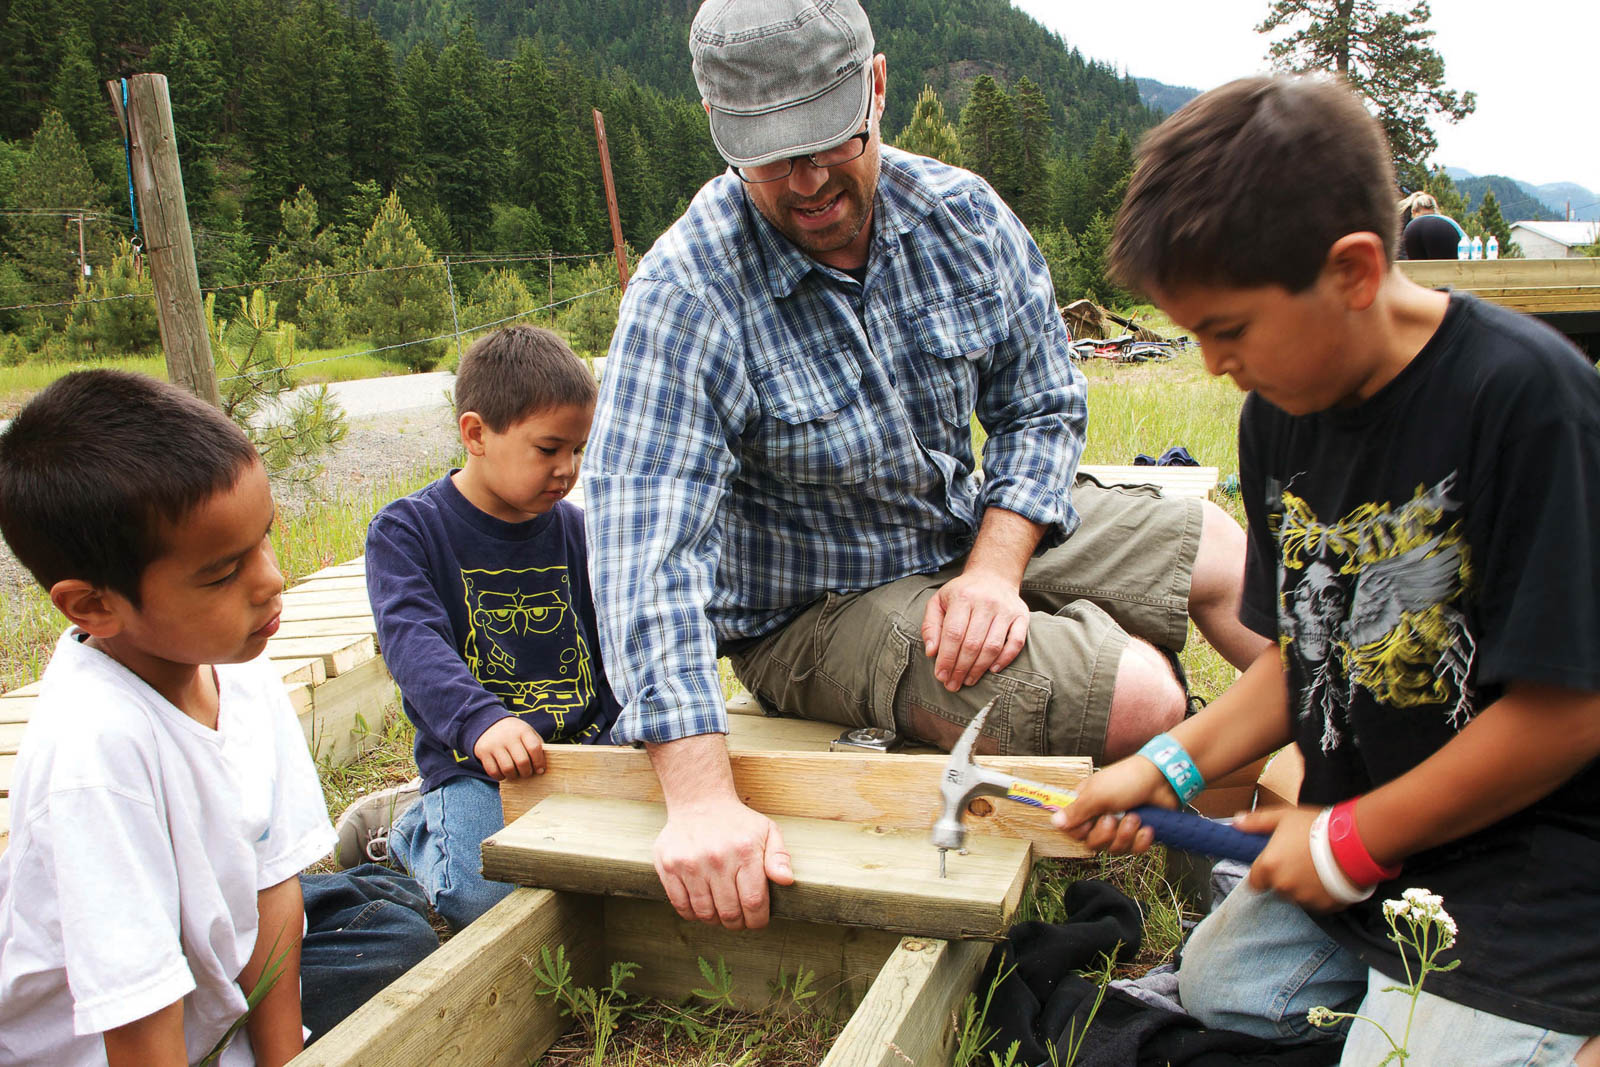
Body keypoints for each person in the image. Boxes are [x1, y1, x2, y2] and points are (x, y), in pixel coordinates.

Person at [583, 0, 1268, 934]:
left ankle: (1357, 791)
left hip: (959, 533)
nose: (810, 180)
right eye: (774, 154)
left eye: (830, 139)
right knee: (1143, 692)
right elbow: (643, 552)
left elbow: (1041, 406)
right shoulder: (688, 293)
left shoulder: (961, 215)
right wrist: (701, 800)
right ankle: (1232, 898)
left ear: (877, 86)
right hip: (817, 612)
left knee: (1229, 559)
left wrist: (994, 571)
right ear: (721, 132)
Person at [1059, 76, 1600, 1064]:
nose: (1215, 366)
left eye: (1228, 330)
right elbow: (1297, 661)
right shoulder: (1280, 411)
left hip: (1536, 866)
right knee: (1226, 990)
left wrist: (1353, 836)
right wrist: (1163, 766)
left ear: (1353, 270)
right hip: (1375, 846)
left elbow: (1570, 713)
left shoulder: (1525, 400)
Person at [0, 371, 438, 1066]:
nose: (269, 581)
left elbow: (272, 889)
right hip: (109, 1036)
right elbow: (137, 1018)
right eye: (222, 572)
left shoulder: (234, 658)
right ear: (92, 606)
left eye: (263, 541)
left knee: (391, 932)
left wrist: (280, 1057)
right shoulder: (95, 755)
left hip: (210, 969)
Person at [339, 325, 620, 932]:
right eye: (548, 449)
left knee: (623, 875)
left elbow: (612, 645)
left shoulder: (577, 532)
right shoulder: (409, 530)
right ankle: (409, 832)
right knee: (484, 901)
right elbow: (411, 641)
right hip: (477, 768)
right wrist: (479, 720)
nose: (567, 469)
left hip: (586, 754)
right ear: (476, 434)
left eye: (578, 449)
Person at [1399, 191, 1467, 260]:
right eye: (1424, 216)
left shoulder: (1439, 224)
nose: (1427, 222)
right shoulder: (1401, 225)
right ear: (1413, 212)